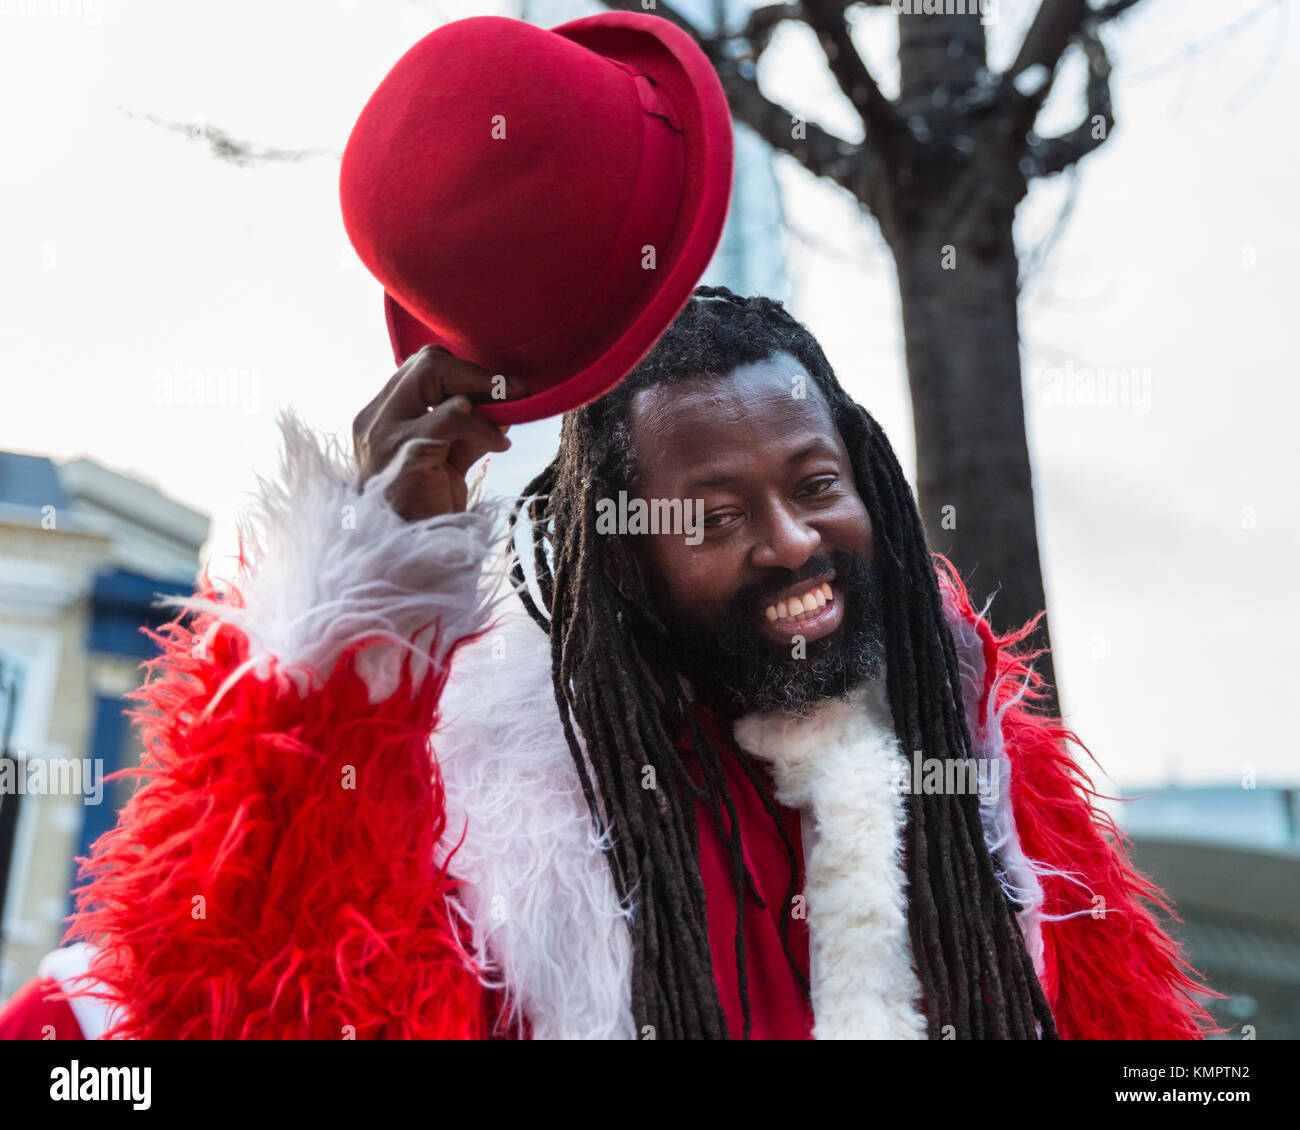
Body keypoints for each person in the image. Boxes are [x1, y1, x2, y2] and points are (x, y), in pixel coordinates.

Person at [0, 288, 1216, 1040]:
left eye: (813, 484)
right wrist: (357, 619)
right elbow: (218, 992)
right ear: (624, 560)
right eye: (712, 511)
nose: (789, 539)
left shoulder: (989, 798)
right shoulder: (500, 847)